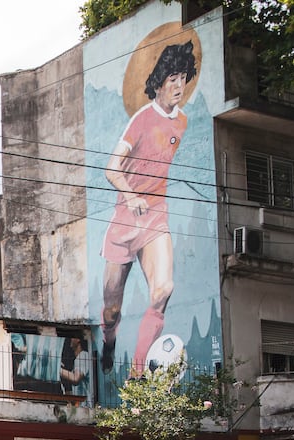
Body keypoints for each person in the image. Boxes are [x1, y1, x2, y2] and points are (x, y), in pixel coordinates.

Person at [99, 41, 198, 374]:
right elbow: (112, 168)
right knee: (112, 309)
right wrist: (130, 195)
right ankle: (109, 342)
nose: (179, 87)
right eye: (172, 79)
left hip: (156, 219)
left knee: (164, 289)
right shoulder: (142, 120)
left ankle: (139, 371)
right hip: (125, 220)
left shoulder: (182, 122)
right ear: (158, 82)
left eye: (183, 78)